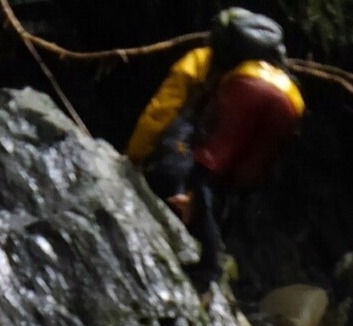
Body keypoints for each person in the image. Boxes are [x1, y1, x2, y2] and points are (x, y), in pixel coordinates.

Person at [126, 9, 305, 285]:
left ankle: (209, 264)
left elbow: (160, 112)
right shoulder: (270, 65)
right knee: (240, 180)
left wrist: (134, 157)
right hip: (291, 102)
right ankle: (219, 241)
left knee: (204, 167)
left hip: (248, 92)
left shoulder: (201, 61)